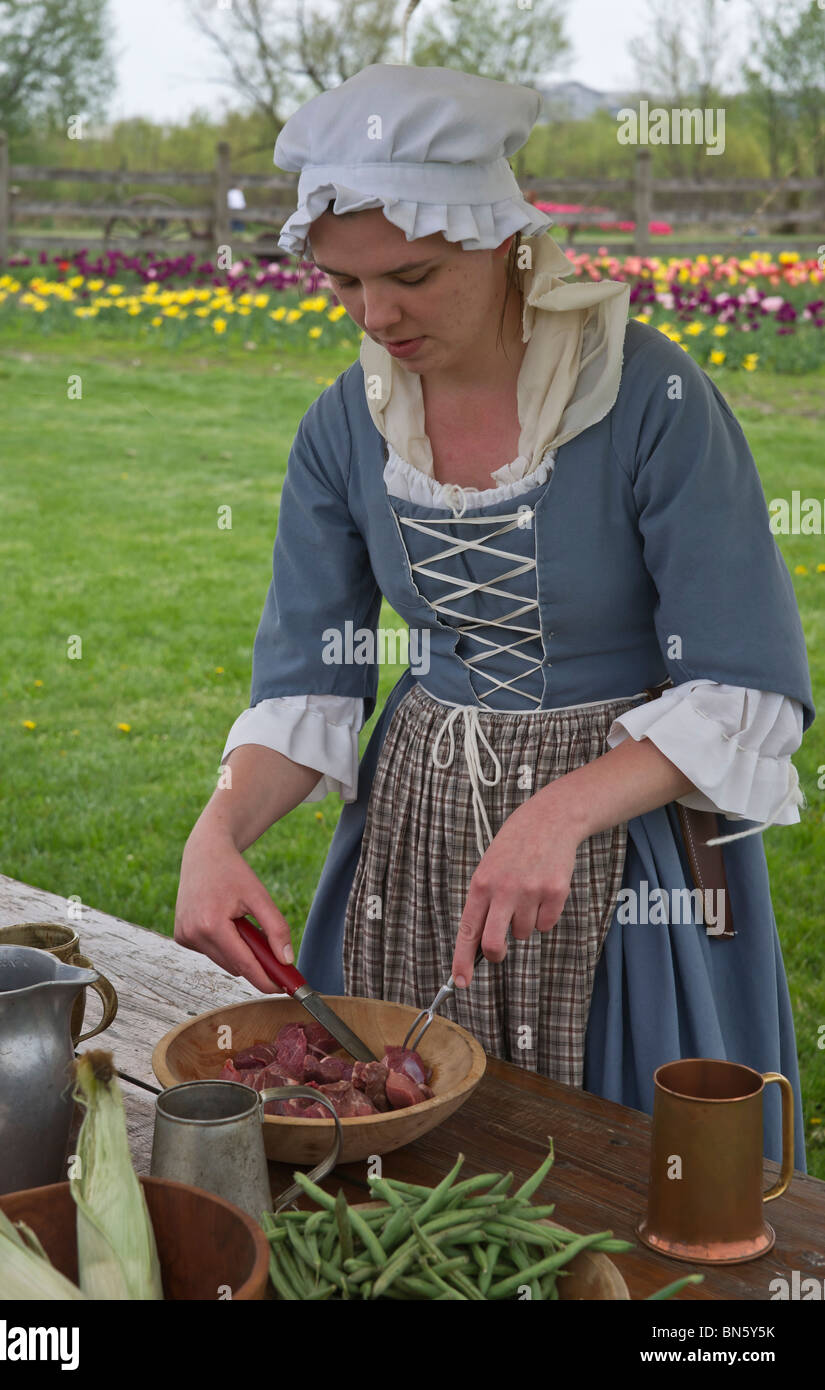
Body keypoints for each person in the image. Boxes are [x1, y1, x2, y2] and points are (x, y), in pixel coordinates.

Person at [175, 63, 814, 1168]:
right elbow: (307, 687)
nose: (377, 315)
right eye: (343, 283)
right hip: (416, 827)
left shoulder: (649, 400)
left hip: (627, 846)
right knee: (396, 1141)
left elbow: (746, 683)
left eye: (411, 275)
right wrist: (217, 828)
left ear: (503, 239)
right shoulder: (345, 427)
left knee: (617, 1181)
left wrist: (562, 811)